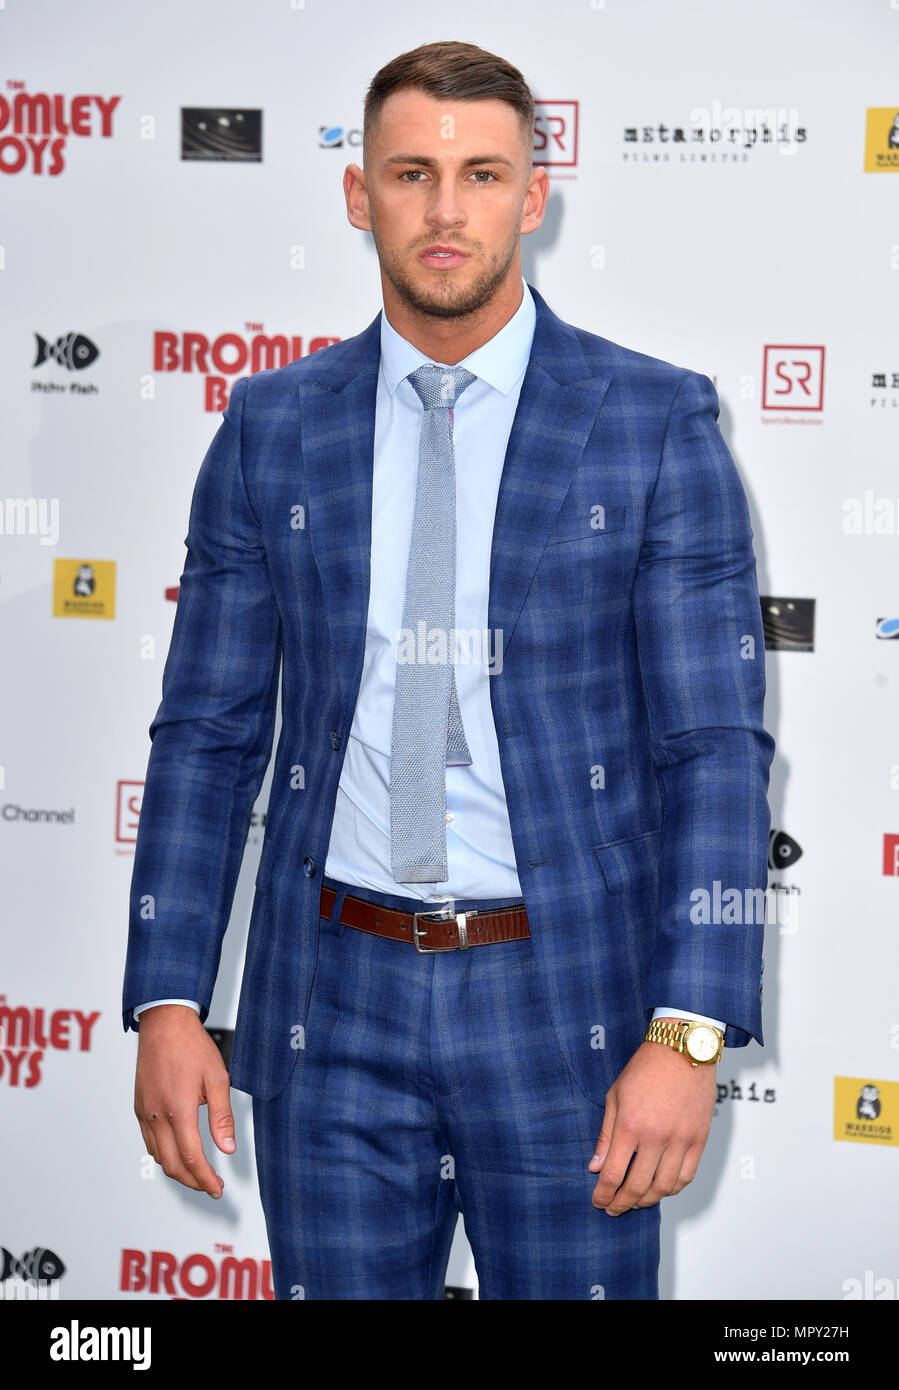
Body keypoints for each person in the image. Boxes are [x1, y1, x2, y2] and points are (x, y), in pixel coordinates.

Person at [123, 39, 775, 1301]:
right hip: (332, 1004)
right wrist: (165, 997)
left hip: (566, 1006)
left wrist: (687, 1033)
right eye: (410, 173)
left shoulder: (649, 420)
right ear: (357, 194)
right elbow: (204, 733)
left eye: (481, 174)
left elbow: (713, 751)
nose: (443, 209)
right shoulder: (273, 425)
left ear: (533, 196)